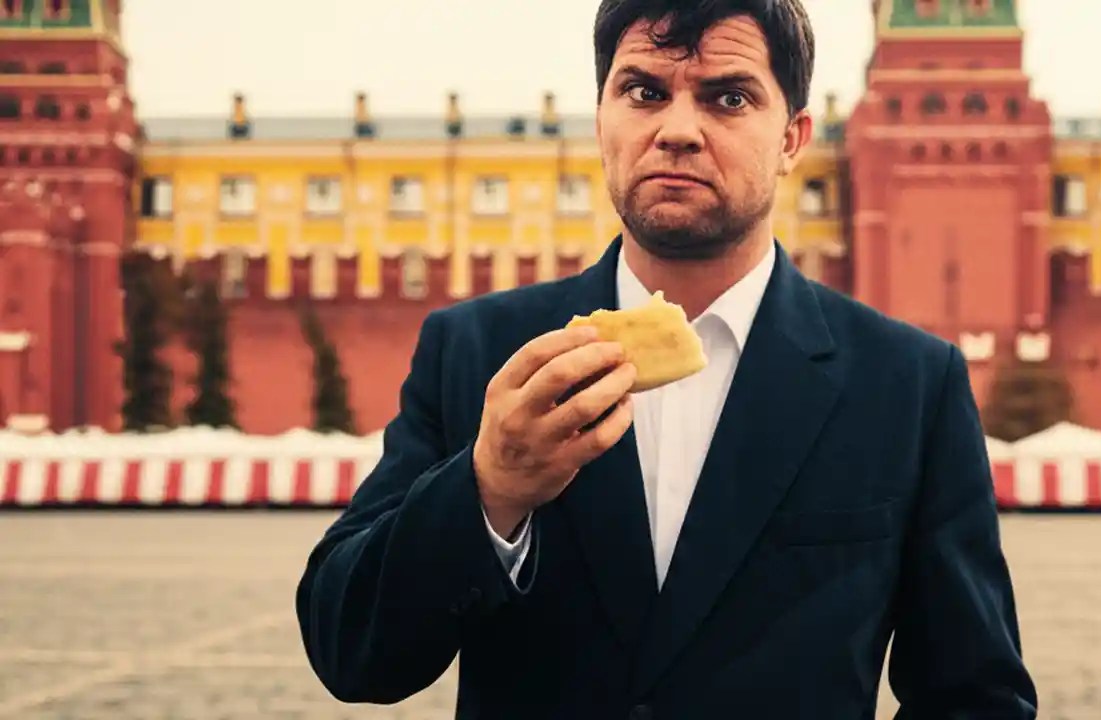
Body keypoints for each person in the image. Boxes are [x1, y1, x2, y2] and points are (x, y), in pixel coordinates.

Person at [296, 0, 1038, 717]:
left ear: (792, 139)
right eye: (644, 91)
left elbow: (974, 694)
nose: (677, 129)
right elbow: (351, 651)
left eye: (729, 97)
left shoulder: (906, 386)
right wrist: (489, 488)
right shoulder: (480, 353)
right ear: (601, 119)